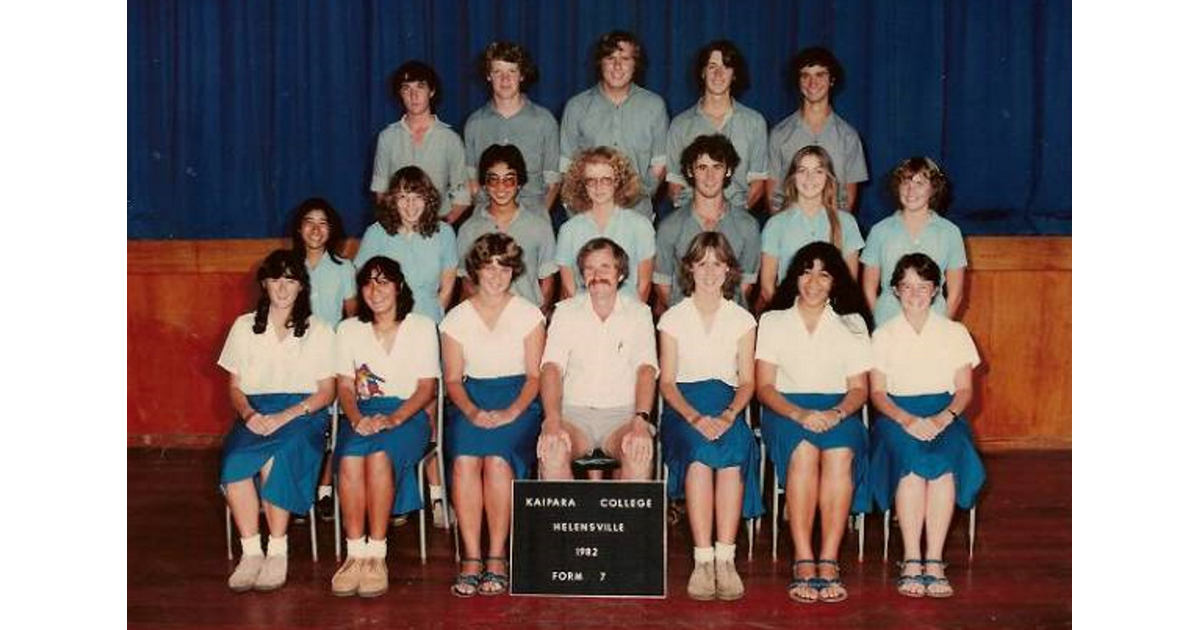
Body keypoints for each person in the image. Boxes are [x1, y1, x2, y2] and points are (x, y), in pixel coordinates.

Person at [755, 242, 873, 604]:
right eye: (806, 271)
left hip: (839, 409)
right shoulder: (773, 321)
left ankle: (830, 558)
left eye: (824, 273)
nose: (813, 281)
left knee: (839, 453)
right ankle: (804, 557)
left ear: (835, 281)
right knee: (803, 452)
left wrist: (837, 413)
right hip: (786, 409)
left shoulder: (852, 324)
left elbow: (859, 389)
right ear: (795, 276)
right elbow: (764, 386)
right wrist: (800, 414)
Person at [218, 250, 336, 593]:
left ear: (301, 286)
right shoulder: (244, 326)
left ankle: (278, 550)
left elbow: (326, 393)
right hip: (256, 413)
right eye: (275, 279)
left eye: (290, 280)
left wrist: (286, 416)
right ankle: (251, 551)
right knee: (236, 461)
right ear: (264, 284)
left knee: (275, 459)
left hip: (303, 414)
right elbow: (235, 388)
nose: (282, 288)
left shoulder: (320, 329)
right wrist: (250, 415)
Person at [868, 253, 985, 599]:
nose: (915, 295)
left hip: (944, 413)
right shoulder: (884, 335)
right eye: (907, 287)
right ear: (895, 290)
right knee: (912, 467)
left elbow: (964, 390)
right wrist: (907, 420)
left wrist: (942, 418)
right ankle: (911, 558)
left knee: (944, 466)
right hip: (896, 416)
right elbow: (878, 393)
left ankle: (934, 560)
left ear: (936, 291)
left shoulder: (955, 332)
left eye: (923, 287)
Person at [658, 232, 762, 601]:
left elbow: (748, 381)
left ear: (730, 269)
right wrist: (696, 418)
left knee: (733, 457)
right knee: (701, 459)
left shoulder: (743, 319)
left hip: (728, 406)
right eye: (702, 263)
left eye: (717, 263)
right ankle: (702, 561)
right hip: (684, 409)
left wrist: (731, 414)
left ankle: (726, 558)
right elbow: (667, 383)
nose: (709, 271)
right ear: (689, 268)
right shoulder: (673, 318)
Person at [441, 233, 547, 597]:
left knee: (499, 462)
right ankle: (471, 558)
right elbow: (453, 380)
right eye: (489, 266)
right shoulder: (455, 318)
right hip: (471, 398)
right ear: (476, 269)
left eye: (504, 266)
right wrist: (471, 410)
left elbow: (536, 376)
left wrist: (511, 412)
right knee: (465, 461)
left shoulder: (529, 314)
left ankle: (498, 557)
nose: (496, 274)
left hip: (519, 399)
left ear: (514, 270)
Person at [330, 256, 440, 598]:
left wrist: (394, 419)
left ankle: (376, 554)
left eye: (383, 282)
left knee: (379, 456)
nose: (375, 290)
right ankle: (354, 554)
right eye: (368, 283)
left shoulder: (421, 326)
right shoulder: (348, 329)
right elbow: (345, 388)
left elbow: (427, 389)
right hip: (361, 414)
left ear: (399, 286)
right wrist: (357, 419)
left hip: (409, 414)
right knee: (348, 458)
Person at [354, 165, 456, 526]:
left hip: (427, 326)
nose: (410, 205)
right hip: (386, 328)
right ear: (392, 200)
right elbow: (365, 286)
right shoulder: (376, 234)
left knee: (426, 409)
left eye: (416, 197)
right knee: (387, 403)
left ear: (428, 199)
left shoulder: (444, 233)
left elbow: (446, 287)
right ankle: (395, 495)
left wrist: (431, 325)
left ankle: (437, 497)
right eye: (402, 197)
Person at [537, 238, 658, 481]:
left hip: (622, 415)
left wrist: (640, 420)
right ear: (582, 275)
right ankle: (569, 521)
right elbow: (551, 368)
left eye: (605, 267)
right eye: (589, 268)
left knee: (638, 452)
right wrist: (552, 420)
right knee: (552, 451)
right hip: (573, 415)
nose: (597, 274)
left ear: (621, 273)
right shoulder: (565, 312)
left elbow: (646, 369)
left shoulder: (639, 313)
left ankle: (625, 521)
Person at [288, 197, 356, 522]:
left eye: (323, 223)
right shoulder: (286, 267)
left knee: (335, 422)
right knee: (300, 422)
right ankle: (298, 492)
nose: (316, 229)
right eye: (309, 222)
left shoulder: (345, 269)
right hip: (292, 360)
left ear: (332, 230)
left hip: (330, 358)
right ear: (299, 227)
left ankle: (325, 490)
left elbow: (353, 318)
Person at [560, 30, 668, 219]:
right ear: (600, 63)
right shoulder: (576, 107)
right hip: (588, 217)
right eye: (610, 58)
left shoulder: (654, 106)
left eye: (625, 58)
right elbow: (566, 166)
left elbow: (659, 164)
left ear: (636, 64)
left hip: (637, 216)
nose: (617, 66)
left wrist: (637, 196)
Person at [655, 134, 761, 313]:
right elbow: (663, 285)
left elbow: (746, 285)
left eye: (717, 167)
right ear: (690, 171)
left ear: (728, 171)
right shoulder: (669, 227)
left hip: (730, 324)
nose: (710, 177)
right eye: (702, 167)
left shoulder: (747, 226)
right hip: (684, 324)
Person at [860, 157, 967, 327]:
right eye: (905, 183)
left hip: (934, 323)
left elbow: (956, 293)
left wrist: (941, 327)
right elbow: (868, 287)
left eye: (919, 183)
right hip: (888, 322)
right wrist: (881, 323)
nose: (911, 191)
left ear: (933, 189)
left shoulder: (950, 232)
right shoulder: (879, 231)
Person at [665, 40, 769, 213]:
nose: (718, 74)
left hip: (737, 221)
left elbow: (758, 184)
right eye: (712, 66)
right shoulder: (681, 125)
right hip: (694, 224)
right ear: (703, 72)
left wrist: (734, 220)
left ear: (734, 74)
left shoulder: (755, 122)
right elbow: (675, 184)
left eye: (726, 67)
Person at [463, 41, 561, 222]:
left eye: (512, 71)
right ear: (488, 76)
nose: (505, 79)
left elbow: (553, 183)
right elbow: (472, 181)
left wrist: (536, 221)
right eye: (498, 72)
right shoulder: (475, 123)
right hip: (487, 220)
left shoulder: (544, 121)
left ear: (522, 75)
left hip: (533, 218)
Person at [759, 145, 865, 307]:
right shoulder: (776, 225)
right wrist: (788, 317)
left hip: (832, 316)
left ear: (828, 177)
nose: (810, 178)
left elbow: (850, 284)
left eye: (818, 171)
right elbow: (767, 287)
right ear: (793, 177)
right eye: (802, 171)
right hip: (787, 314)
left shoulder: (847, 223)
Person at [456, 144, 557, 312]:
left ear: (519, 183)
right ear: (484, 184)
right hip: (485, 319)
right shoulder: (469, 229)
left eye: (509, 180)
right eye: (493, 180)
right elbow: (467, 283)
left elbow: (548, 282)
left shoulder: (539, 226)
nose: (501, 187)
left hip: (527, 319)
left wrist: (537, 319)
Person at [766, 47, 867, 214]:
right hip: (789, 232)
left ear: (832, 80)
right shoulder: (779, 134)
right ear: (798, 81)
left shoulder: (849, 137)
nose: (813, 83)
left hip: (832, 232)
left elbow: (847, 200)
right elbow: (773, 197)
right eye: (805, 75)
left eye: (820, 75)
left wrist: (833, 233)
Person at [370, 60, 471, 224]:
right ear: (399, 94)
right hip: (398, 230)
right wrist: (395, 225)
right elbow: (381, 191)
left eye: (420, 87)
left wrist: (440, 227)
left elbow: (463, 197)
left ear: (431, 91)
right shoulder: (387, 138)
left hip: (436, 230)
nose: (413, 95)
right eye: (406, 88)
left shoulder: (450, 139)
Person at [556, 146, 656, 302]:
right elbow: (569, 289)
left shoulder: (641, 226)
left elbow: (644, 287)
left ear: (618, 181)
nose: (598, 187)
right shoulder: (568, 230)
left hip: (628, 315)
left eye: (606, 180)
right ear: (582, 184)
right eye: (591, 181)